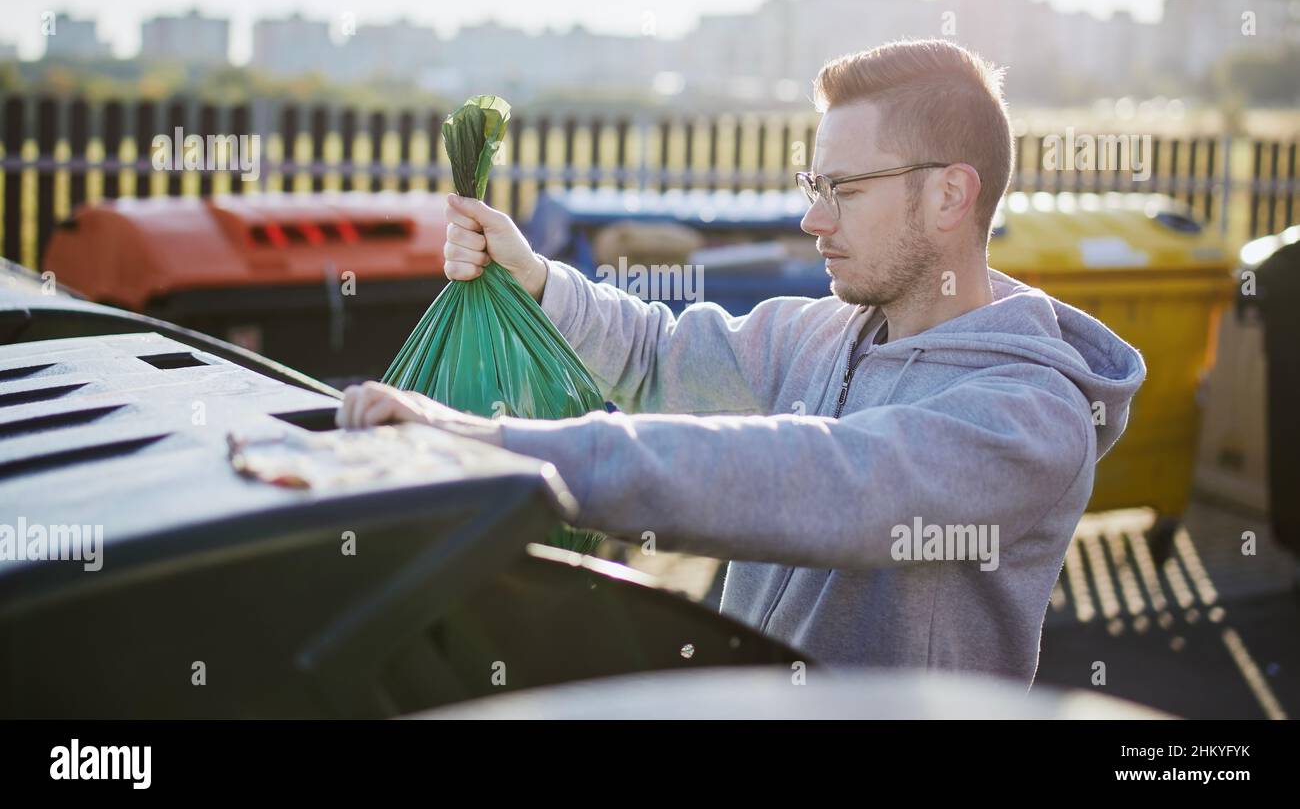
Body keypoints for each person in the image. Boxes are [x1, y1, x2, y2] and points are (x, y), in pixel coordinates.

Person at [337, 39, 1145, 688]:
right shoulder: (821, 332)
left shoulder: (1031, 416)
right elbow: (660, 354)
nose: (810, 218)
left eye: (844, 190)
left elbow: (828, 480)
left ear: (948, 196)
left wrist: (499, 450)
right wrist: (536, 278)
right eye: (811, 184)